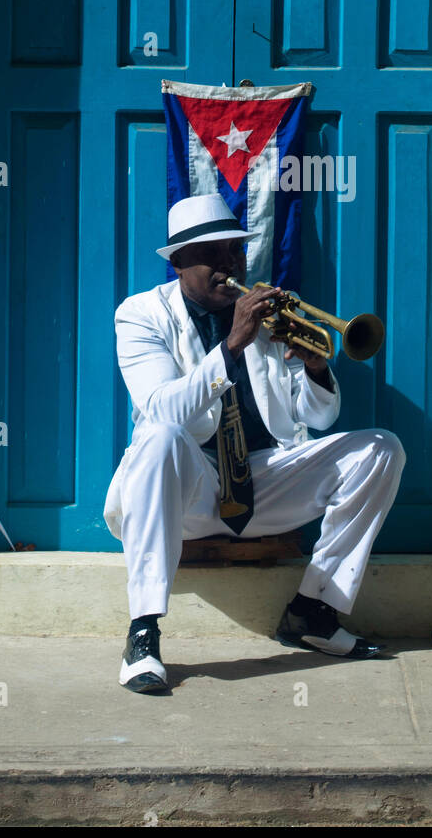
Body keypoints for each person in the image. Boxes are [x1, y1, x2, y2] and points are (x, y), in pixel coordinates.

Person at [103, 193, 407, 693]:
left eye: (235, 252)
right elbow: (163, 409)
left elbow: (320, 416)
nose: (228, 266)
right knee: (157, 436)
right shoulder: (139, 315)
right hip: (190, 490)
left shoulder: (267, 316)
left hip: (265, 480)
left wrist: (313, 368)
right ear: (179, 263)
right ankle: (144, 633)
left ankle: (315, 610)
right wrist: (231, 347)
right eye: (212, 255)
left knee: (381, 447)